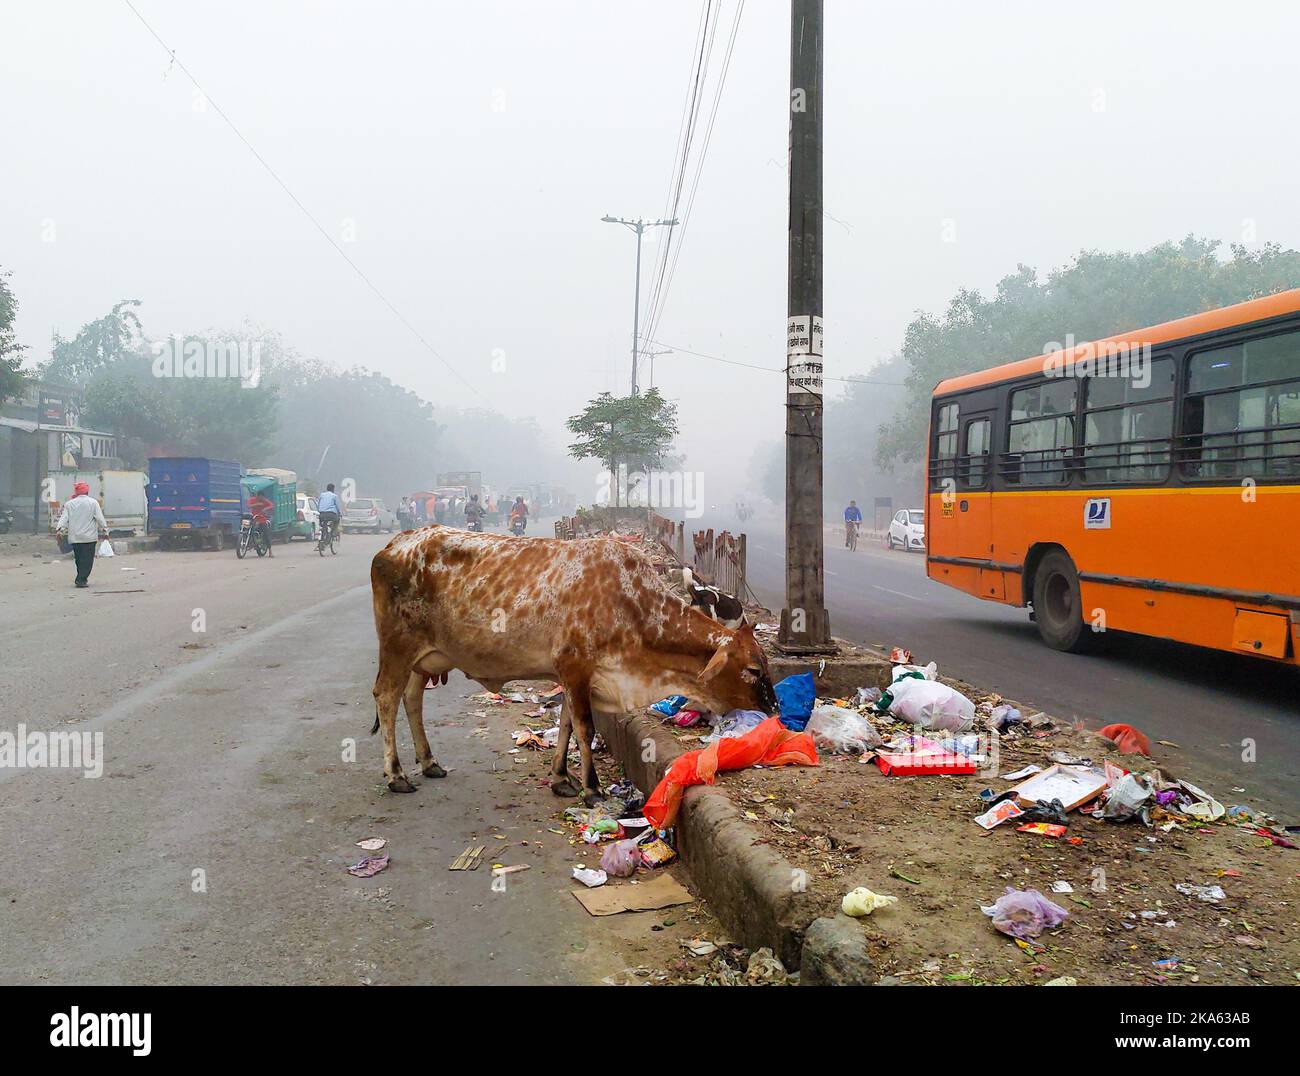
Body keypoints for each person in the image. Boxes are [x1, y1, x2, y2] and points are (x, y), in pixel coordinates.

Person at [54, 481, 108, 588]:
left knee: (78, 559)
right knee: (87, 560)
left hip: (75, 537)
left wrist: (59, 530)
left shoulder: (69, 504)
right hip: (89, 538)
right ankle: (81, 579)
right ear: (87, 491)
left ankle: (80, 577)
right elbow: (100, 518)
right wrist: (106, 531)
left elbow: (64, 519)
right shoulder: (93, 503)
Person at [247, 489, 276, 556]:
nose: (261, 498)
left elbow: (272, 505)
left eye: (262, 497)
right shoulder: (252, 500)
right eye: (260, 497)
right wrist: (257, 504)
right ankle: (250, 542)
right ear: (257, 496)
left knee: (266, 534)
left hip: (262, 519)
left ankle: (270, 551)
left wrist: (265, 509)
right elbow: (248, 506)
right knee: (248, 528)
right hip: (254, 518)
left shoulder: (264, 501)